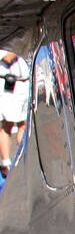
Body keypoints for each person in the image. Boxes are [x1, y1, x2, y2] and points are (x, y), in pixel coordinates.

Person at [1, 49, 31, 179]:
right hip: (9, 84)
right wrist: (23, 47)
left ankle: (23, 157)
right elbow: (7, 58)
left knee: (23, 124)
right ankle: (6, 163)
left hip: (24, 83)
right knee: (7, 124)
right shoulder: (8, 41)